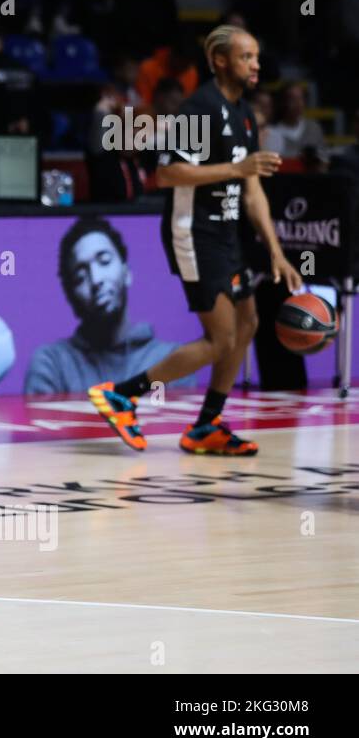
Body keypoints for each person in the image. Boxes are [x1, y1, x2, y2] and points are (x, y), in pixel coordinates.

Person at [89, 25, 303, 456]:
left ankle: (207, 425)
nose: (256, 64)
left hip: (226, 235)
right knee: (220, 338)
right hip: (193, 233)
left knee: (248, 324)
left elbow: (253, 190)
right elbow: (167, 174)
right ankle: (122, 395)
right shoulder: (198, 110)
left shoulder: (242, 113)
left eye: (257, 56)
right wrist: (237, 171)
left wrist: (277, 252)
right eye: (247, 57)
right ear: (220, 60)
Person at [26, 217, 196, 394]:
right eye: (80, 276)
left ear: (126, 272)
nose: (96, 279)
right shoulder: (52, 364)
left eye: (104, 261)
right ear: (70, 295)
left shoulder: (171, 359)